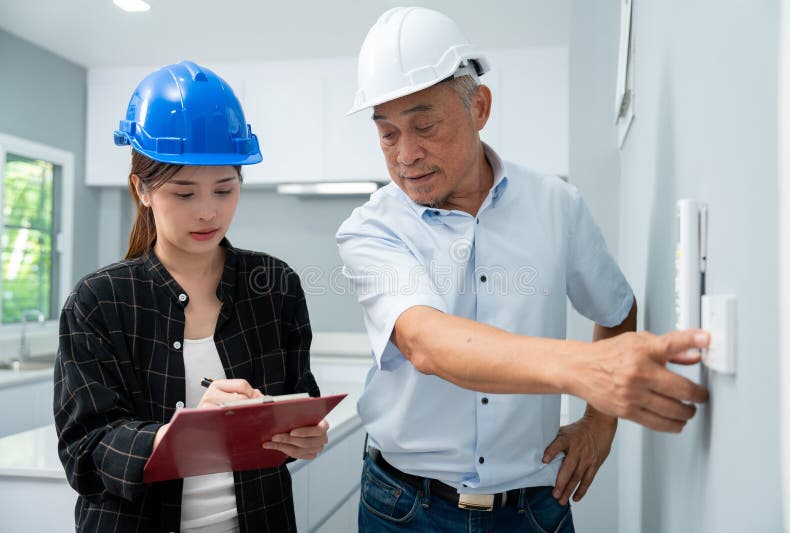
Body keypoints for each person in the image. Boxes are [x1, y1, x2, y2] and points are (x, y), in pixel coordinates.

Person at [336, 7, 710, 532]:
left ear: (479, 107)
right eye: (388, 134)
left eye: (424, 125)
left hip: (533, 509)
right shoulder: (369, 229)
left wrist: (599, 424)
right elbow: (427, 343)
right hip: (403, 507)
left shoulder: (557, 206)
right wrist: (587, 369)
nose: (406, 155)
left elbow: (617, 307)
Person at [54, 61, 328, 533]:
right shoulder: (98, 301)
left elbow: (298, 402)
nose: (208, 212)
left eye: (225, 189)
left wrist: (305, 436)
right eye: (184, 194)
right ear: (141, 189)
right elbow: (84, 450)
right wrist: (179, 436)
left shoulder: (275, 283)